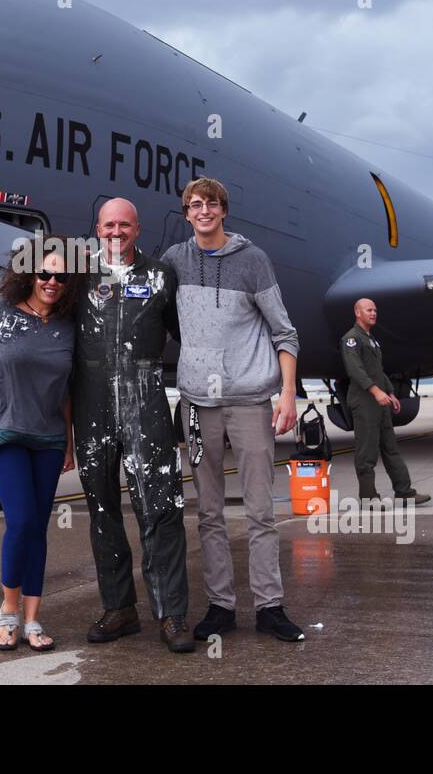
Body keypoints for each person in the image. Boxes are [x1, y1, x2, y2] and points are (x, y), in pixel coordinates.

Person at [162, 177, 306, 644]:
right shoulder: (174, 262)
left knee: (261, 510)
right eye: (195, 205)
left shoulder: (253, 261)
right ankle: (221, 606)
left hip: (248, 402)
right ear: (186, 213)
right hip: (197, 406)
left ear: (224, 211)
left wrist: (287, 395)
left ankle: (269, 606)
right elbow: (142, 309)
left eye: (212, 204)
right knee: (208, 513)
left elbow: (285, 333)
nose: (203, 211)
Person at [74, 198, 194, 653]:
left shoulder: (161, 275)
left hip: (146, 405)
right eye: (108, 224)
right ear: (97, 227)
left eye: (124, 224)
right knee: (102, 509)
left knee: (161, 509)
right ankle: (119, 608)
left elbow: (192, 336)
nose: (116, 232)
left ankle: (172, 615)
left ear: (138, 229)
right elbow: (42, 319)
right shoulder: (78, 276)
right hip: (92, 407)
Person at [0, 238, 81, 651]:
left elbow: (66, 391)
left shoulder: (69, 326)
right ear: (28, 274)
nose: (51, 281)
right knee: (22, 522)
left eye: (60, 276)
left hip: (47, 437)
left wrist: (68, 443)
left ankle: (32, 619)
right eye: (44, 273)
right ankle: (7, 611)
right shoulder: (1, 314)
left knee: (39, 528)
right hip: (4, 432)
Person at [340, 299, 432, 506]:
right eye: (368, 310)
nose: (373, 313)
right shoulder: (351, 339)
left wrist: (389, 392)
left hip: (379, 403)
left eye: (375, 310)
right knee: (366, 452)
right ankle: (368, 498)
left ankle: (404, 492)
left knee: (391, 448)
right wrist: (375, 391)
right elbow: (356, 371)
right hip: (364, 402)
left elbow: (377, 371)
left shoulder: (371, 339)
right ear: (357, 312)